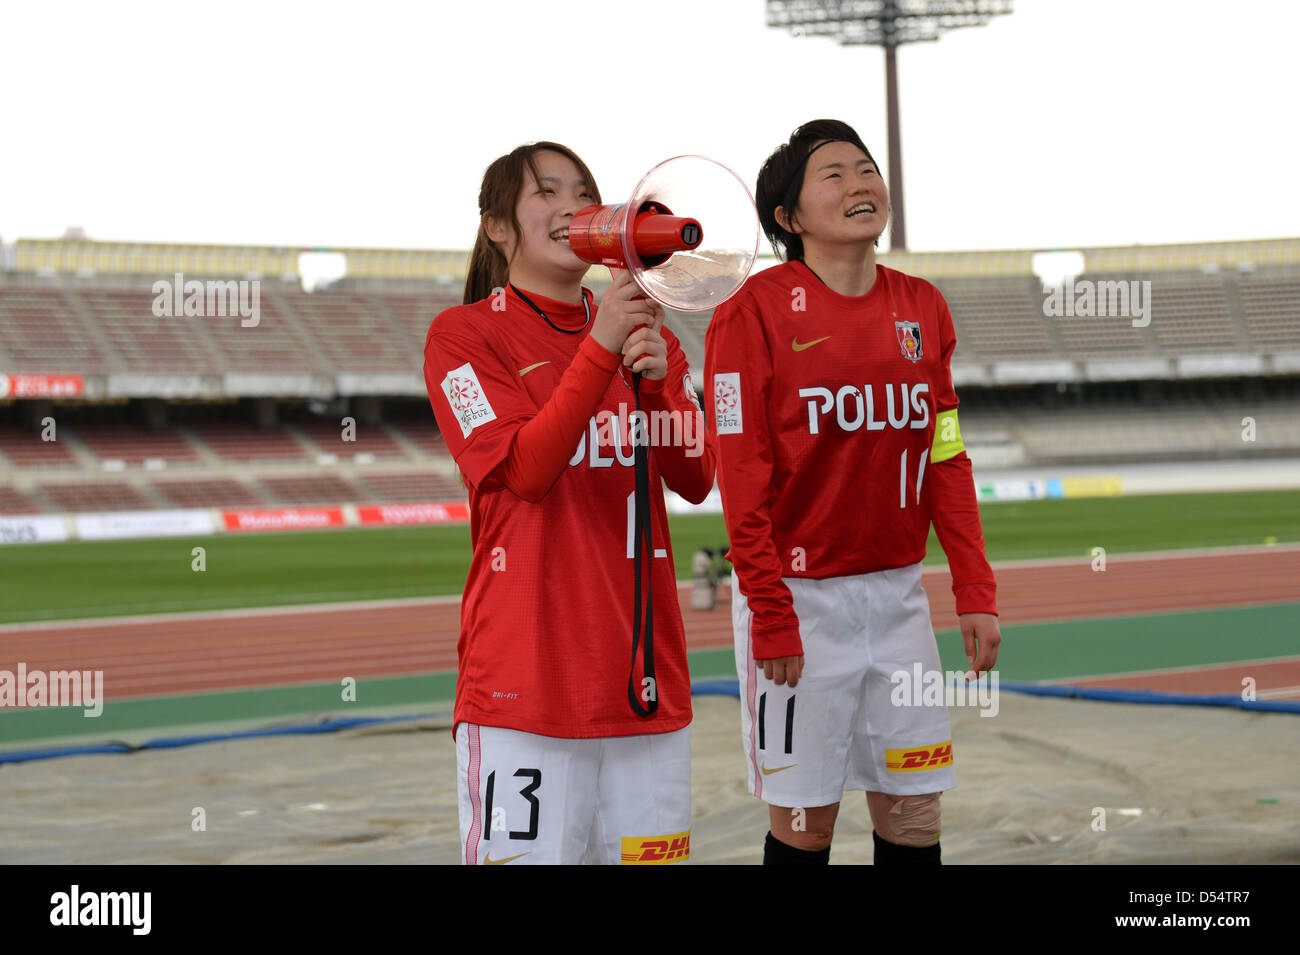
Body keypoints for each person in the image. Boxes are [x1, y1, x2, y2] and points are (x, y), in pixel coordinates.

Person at [704, 119, 1001, 865]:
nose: (860, 183)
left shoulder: (923, 306)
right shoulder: (750, 313)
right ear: (789, 217)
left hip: (899, 599)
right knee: (805, 825)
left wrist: (975, 588)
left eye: (866, 168)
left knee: (914, 813)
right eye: (832, 174)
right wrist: (770, 614)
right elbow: (740, 477)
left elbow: (946, 455)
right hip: (798, 604)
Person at [424, 142, 715, 865]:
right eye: (545, 192)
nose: (569, 206)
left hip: (645, 686)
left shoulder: (649, 330)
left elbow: (697, 476)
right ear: (497, 227)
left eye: (581, 192)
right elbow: (526, 470)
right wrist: (602, 343)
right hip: (526, 692)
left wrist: (656, 384)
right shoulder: (462, 337)